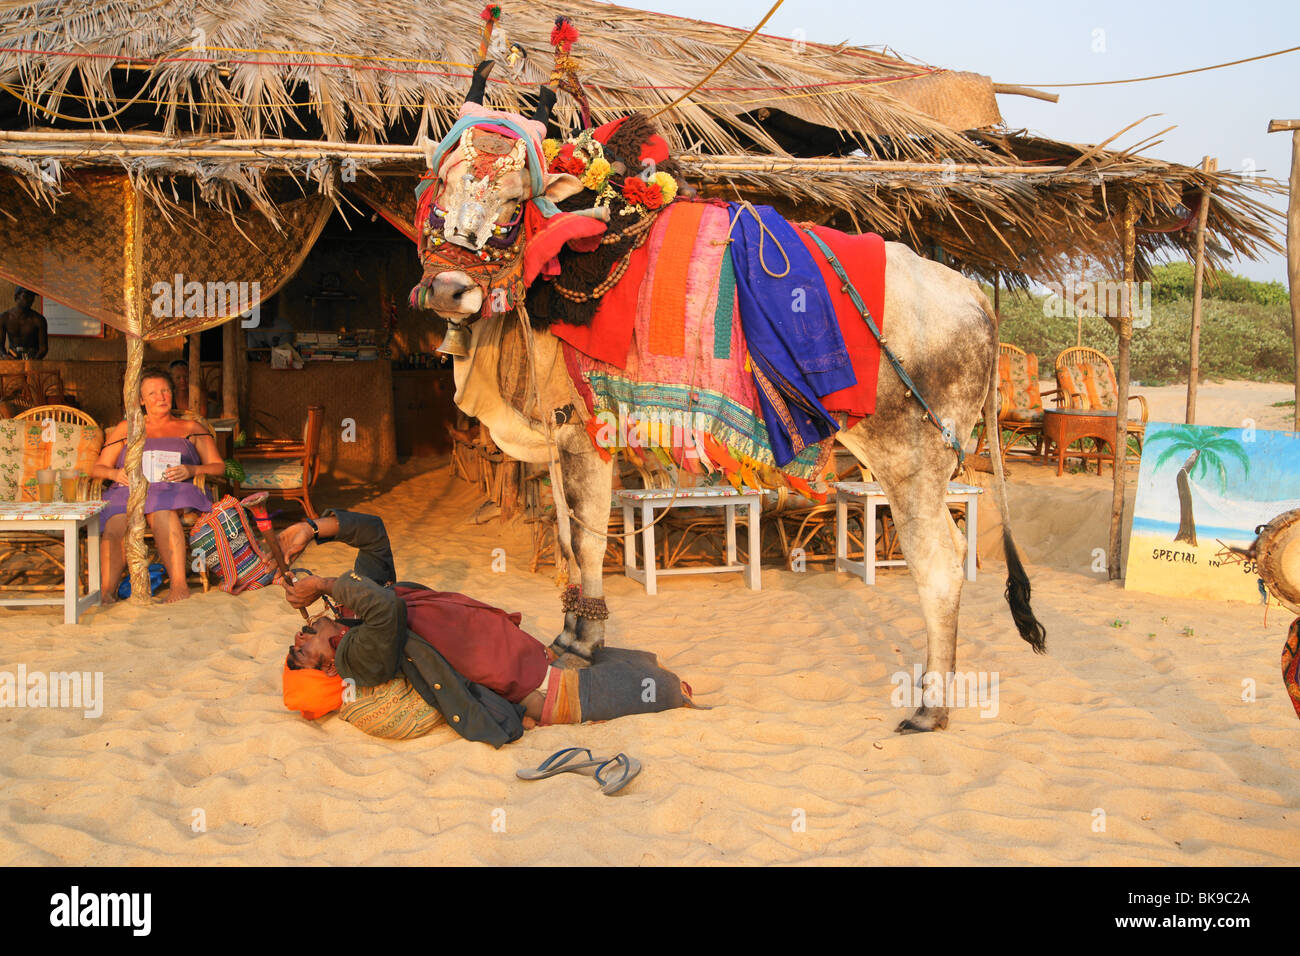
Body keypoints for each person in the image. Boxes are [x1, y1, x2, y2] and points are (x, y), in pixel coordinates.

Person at [278, 510, 693, 746]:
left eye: (297, 640)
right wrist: (323, 584)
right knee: (665, 689)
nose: (299, 636)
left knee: (635, 663)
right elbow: (386, 608)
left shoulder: (354, 610)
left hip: (532, 657)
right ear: (330, 666)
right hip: (538, 687)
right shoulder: (360, 657)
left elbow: (374, 535)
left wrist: (310, 530)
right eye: (302, 651)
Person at [91, 366, 224, 603]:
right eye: (152, 393)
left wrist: (192, 469)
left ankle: (179, 586)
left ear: (172, 394)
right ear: (141, 400)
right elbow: (97, 468)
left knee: (162, 511)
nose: (160, 397)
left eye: (164, 391)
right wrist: (115, 473)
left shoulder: (190, 428)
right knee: (116, 522)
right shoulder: (127, 429)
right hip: (130, 491)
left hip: (172, 490)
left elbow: (217, 466)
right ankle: (107, 591)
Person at [2, 288, 48, 359]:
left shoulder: (38, 320)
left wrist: (35, 359)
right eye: (26, 296)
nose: (30, 299)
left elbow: (43, 348)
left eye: (32, 296)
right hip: (11, 357)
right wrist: (4, 356)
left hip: (33, 358)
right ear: (17, 297)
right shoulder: (5, 318)